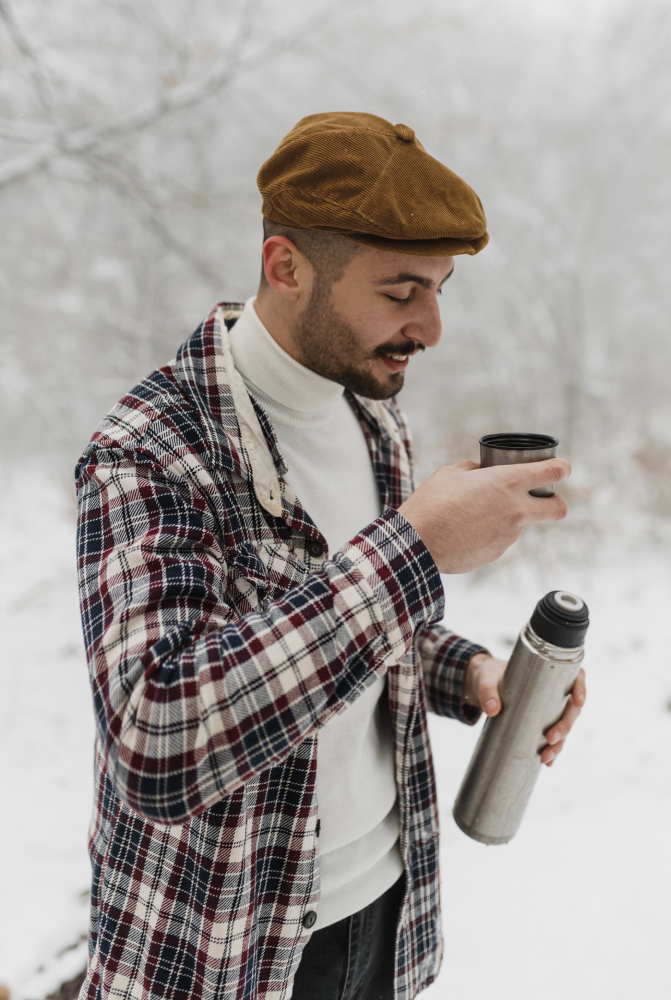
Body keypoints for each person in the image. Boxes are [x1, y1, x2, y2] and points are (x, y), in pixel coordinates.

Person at [75, 112, 586, 1000]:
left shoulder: (370, 412)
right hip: (219, 951)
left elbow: (338, 626)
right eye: (399, 292)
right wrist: (414, 549)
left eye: (440, 288)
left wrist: (466, 673)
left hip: (381, 912)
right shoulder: (150, 449)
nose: (430, 327)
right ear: (286, 266)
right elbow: (157, 736)